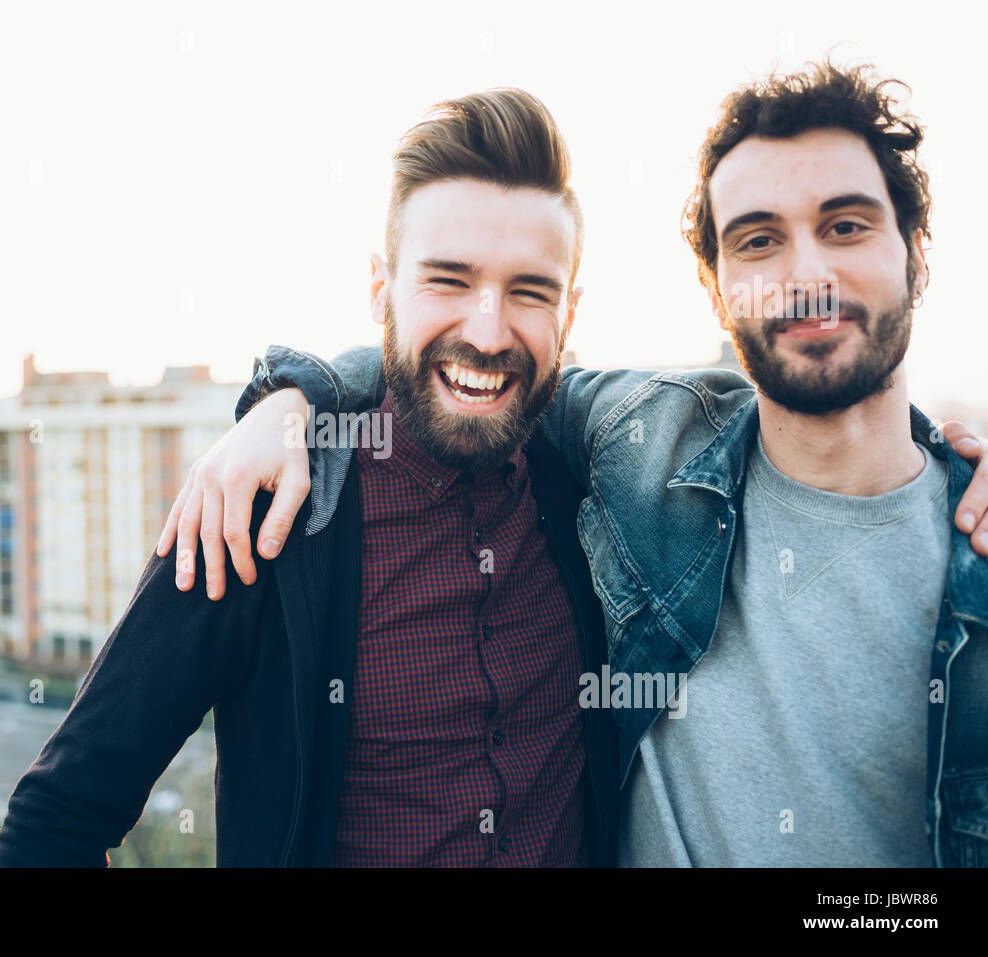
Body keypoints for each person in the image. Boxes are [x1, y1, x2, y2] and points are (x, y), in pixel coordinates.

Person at [159, 62, 988, 866]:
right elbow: (464, 361)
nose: (804, 276)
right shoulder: (642, 438)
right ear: (714, 287)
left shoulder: (973, 562)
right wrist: (293, 393)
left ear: (917, 255)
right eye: (759, 239)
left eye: (846, 226)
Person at [0, 88, 620, 866]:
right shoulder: (264, 510)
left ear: (571, 312)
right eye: (448, 281)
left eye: (530, 291)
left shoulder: (592, 495)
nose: (488, 331)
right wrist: (288, 394)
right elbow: (57, 818)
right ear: (379, 289)